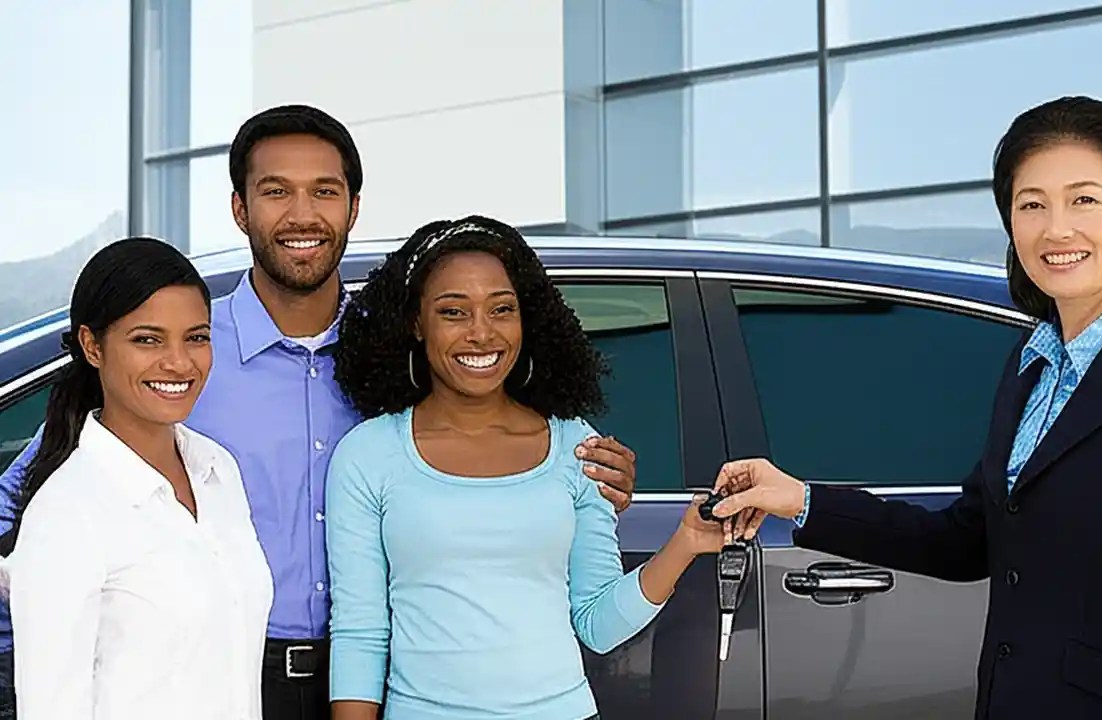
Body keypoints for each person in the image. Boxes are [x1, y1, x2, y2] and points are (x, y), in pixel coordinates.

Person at [0, 104, 640, 720]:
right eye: (276, 191)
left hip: (382, 680)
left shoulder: (403, 354)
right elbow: (42, 497)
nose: (302, 215)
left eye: (325, 192)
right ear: (240, 208)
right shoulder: (181, 354)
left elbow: (489, 445)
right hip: (231, 675)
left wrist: (585, 481)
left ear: (353, 208)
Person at [708, 96, 1102, 720]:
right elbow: (967, 540)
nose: (1056, 229)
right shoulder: (1027, 367)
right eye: (1031, 204)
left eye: (1084, 200)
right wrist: (801, 498)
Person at [324, 216, 726, 720]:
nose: (481, 333)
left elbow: (598, 623)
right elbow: (361, 633)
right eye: (453, 311)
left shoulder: (575, 447)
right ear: (416, 323)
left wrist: (686, 542)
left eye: (502, 310)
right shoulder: (368, 454)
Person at [0, 238, 273, 719]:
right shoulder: (66, 513)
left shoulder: (218, 470)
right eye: (148, 339)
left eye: (196, 336)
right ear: (92, 345)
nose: (179, 362)